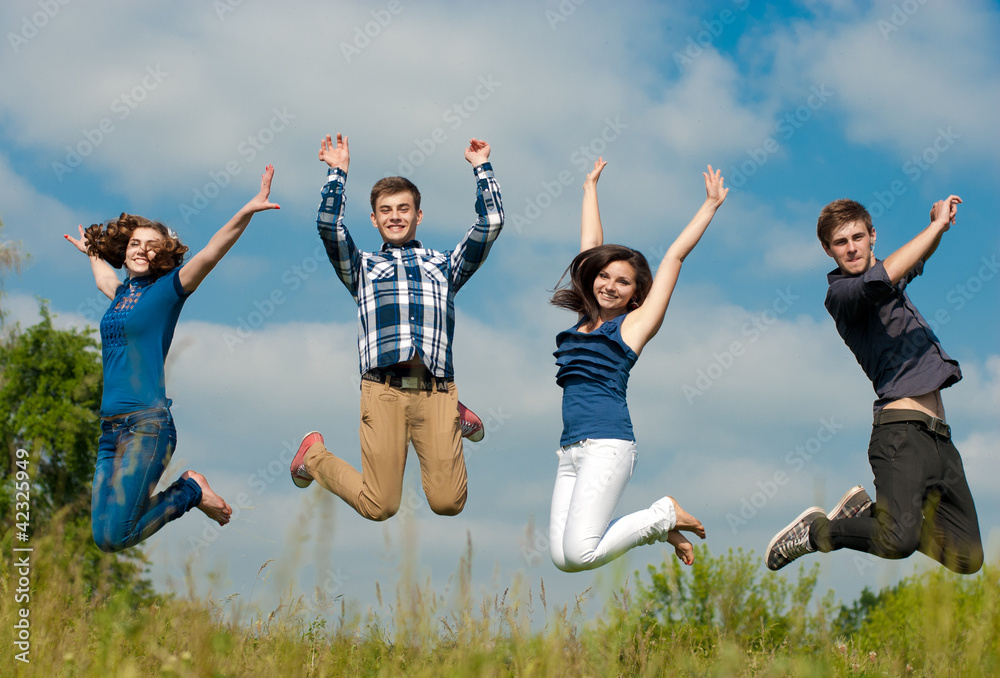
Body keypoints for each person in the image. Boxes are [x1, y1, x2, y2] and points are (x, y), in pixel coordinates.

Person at [64, 165, 279, 552]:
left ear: (163, 254)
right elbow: (103, 278)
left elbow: (213, 251)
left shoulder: (169, 290)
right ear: (125, 252)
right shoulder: (119, 297)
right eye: (135, 244)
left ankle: (190, 490)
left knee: (120, 533)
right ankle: (189, 491)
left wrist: (246, 211)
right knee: (104, 537)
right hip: (110, 432)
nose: (142, 249)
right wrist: (93, 251)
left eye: (152, 245)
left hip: (148, 426)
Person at [765, 195, 983, 575]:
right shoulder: (843, 294)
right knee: (897, 540)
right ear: (827, 250)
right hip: (901, 435)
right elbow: (883, 277)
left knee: (967, 557)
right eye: (840, 242)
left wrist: (941, 228)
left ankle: (868, 513)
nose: (851, 248)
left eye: (857, 237)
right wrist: (932, 228)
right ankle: (818, 532)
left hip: (940, 441)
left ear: (872, 236)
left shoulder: (887, 279)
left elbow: (911, 263)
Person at [290, 134, 503, 521]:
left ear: (418, 215)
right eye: (386, 210)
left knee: (447, 502)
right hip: (383, 390)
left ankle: (455, 415)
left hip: (437, 391)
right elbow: (327, 226)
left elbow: (491, 223)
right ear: (374, 219)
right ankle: (314, 457)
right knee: (381, 505)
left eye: (404, 208)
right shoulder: (362, 268)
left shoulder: (444, 265)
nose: (395, 216)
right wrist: (337, 173)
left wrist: (480, 166)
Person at [548, 158, 726, 572]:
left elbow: (675, 258)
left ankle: (664, 514)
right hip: (570, 450)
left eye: (622, 281)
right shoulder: (585, 319)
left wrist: (709, 207)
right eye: (604, 276)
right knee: (563, 558)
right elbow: (589, 247)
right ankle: (659, 526)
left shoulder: (633, 327)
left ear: (635, 294)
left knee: (580, 552)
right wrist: (590, 189)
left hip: (608, 446)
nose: (609, 285)